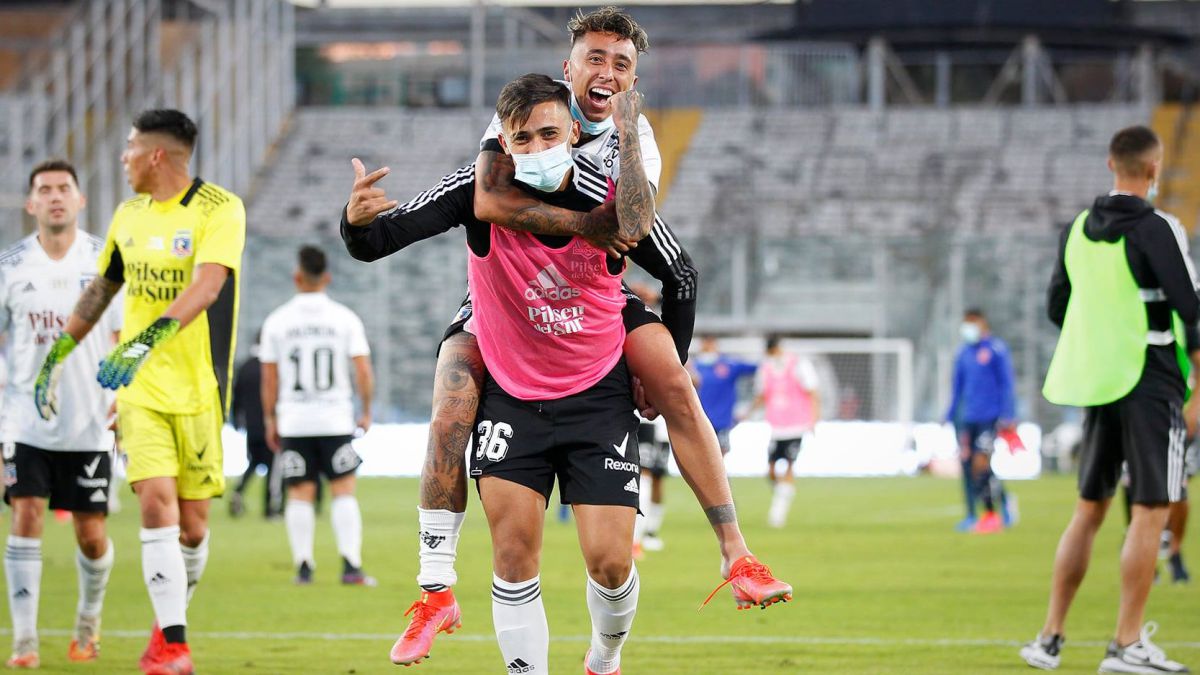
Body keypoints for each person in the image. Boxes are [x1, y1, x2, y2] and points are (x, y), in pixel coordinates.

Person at [344, 74, 790, 675]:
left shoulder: (611, 195)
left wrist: (661, 367)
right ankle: (435, 591)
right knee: (510, 549)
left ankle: (609, 656)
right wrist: (354, 221)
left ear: (575, 132)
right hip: (512, 388)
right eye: (521, 138)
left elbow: (680, 275)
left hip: (595, 384)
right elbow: (377, 240)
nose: (535, 148)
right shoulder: (479, 189)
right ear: (501, 140)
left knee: (611, 563)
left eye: (549, 133)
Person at [35, 109, 245, 675]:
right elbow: (104, 287)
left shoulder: (220, 208)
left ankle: (164, 624)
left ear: (156, 155)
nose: (121, 157)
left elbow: (207, 286)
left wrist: (145, 339)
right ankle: (175, 647)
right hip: (139, 389)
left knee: (195, 527)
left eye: (128, 147)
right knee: (156, 504)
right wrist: (57, 353)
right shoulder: (127, 215)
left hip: (200, 385)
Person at [1022, 125, 1193, 673]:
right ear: (1154, 168)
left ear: (1109, 164)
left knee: (1087, 510)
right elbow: (1191, 309)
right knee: (1149, 512)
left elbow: (1057, 305)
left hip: (1098, 382)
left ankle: (1049, 638)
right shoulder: (1158, 227)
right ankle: (1126, 644)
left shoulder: (1077, 228)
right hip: (1149, 377)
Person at [2, 160, 121, 668]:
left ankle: (87, 622)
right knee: (25, 514)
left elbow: (119, 337)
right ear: (31, 203)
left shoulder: (105, 262)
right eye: (44, 189)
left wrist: (124, 395)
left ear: (80, 200)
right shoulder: (9, 267)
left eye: (63, 188)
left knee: (91, 535)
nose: (54, 196)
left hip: (90, 422)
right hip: (23, 421)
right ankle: (24, 639)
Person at [259, 245, 375, 586]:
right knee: (343, 490)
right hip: (335, 420)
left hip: (294, 420)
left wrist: (270, 419)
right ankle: (351, 566)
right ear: (327, 277)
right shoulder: (344, 318)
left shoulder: (277, 321)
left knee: (299, 493)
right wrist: (365, 411)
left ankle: (304, 567)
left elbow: (270, 377)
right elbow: (363, 371)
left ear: (297, 276)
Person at [945, 308, 1017, 534]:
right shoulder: (963, 353)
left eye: (971, 323)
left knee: (981, 464)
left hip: (990, 417)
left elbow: (1006, 383)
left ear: (982, 323)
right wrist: (949, 414)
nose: (968, 328)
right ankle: (972, 515)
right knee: (968, 467)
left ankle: (994, 511)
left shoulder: (996, 349)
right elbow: (957, 387)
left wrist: (1008, 414)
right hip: (967, 418)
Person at [748, 335, 819, 529]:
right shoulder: (766, 369)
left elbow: (812, 392)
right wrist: (747, 413)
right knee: (770, 470)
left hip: (796, 424)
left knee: (789, 465)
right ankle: (784, 492)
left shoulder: (798, 365)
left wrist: (813, 419)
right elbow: (761, 394)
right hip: (776, 426)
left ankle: (777, 513)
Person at [629, 284, 670, 558]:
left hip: (659, 422)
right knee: (640, 476)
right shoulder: (622, 319)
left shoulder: (661, 330)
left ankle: (650, 531)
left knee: (656, 479)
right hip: (637, 418)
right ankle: (635, 540)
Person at [229, 329, 282, 519]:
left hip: (251, 427)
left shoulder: (245, 367)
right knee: (273, 467)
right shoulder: (272, 367)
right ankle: (270, 508)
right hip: (271, 425)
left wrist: (236, 420)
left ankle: (238, 491)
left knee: (254, 462)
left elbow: (235, 397)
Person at [690, 335, 758, 455]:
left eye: (710, 343)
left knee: (720, 452)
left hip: (722, 420)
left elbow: (754, 367)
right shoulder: (693, 367)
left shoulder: (727, 365)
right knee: (702, 452)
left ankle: (718, 474)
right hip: (700, 418)